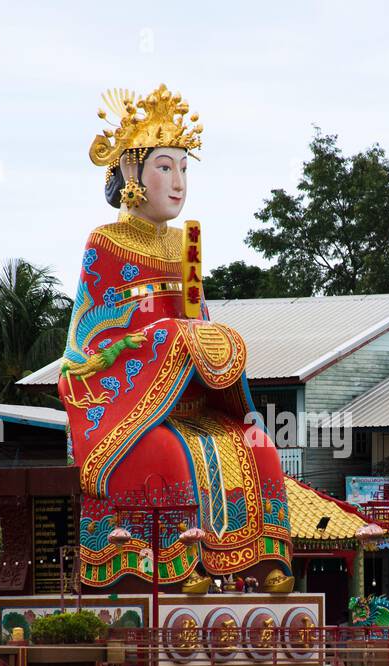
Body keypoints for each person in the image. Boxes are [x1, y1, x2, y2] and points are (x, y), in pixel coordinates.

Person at [60, 85, 293, 593]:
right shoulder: (105, 243)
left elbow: (199, 322)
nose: (179, 181)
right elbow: (86, 347)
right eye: (166, 167)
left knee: (259, 447)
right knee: (168, 453)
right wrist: (170, 336)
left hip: (187, 400)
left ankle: (255, 563)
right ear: (131, 174)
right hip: (131, 409)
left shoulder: (184, 246)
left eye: (184, 168)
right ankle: (173, 564)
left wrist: (210, 339)